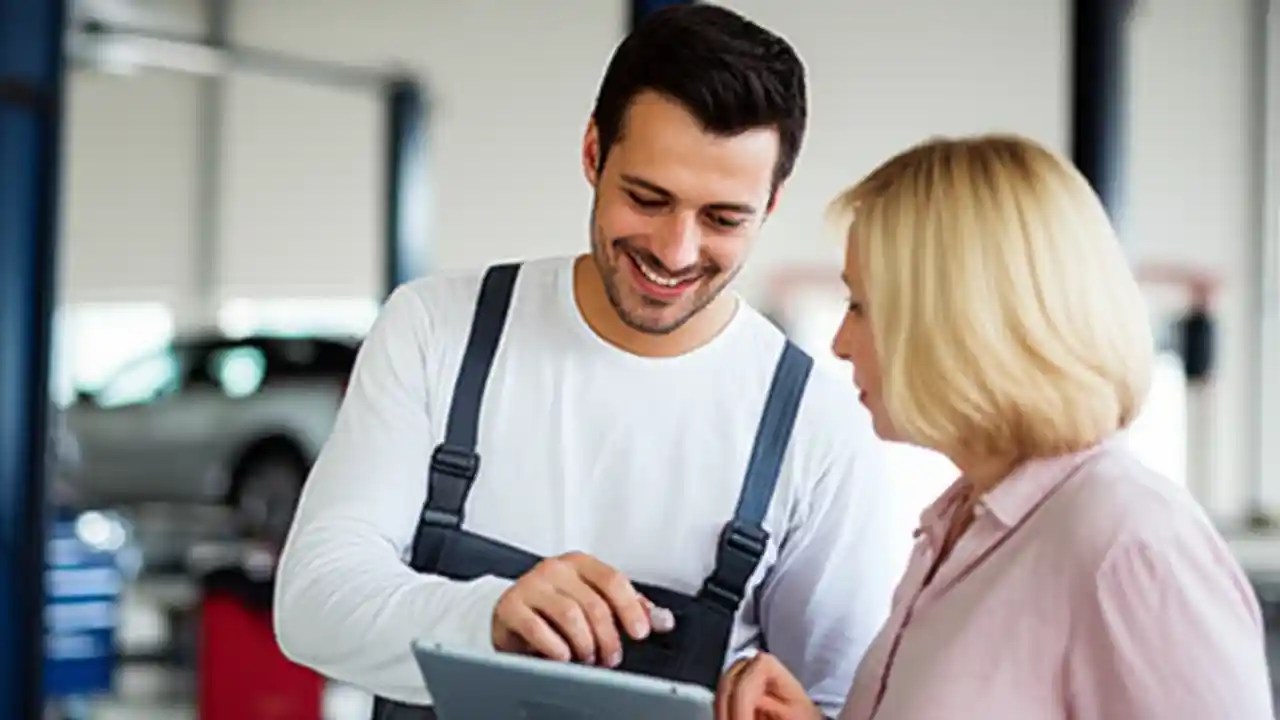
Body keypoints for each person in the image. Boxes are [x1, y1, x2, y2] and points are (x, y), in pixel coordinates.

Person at [272, 5, 911, 719]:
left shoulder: (814, 428)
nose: (675, 250)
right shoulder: (435, 331)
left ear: (772, 201)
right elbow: (312, 603)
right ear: (591, 153)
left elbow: (834, 700)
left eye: (724, 218)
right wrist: (487, 620)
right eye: (647, 198)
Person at [714, 134, 1276, 720]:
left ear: (957, 319)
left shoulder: (1132, 542)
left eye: (862, 308)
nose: (840, 342)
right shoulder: (960, 525)